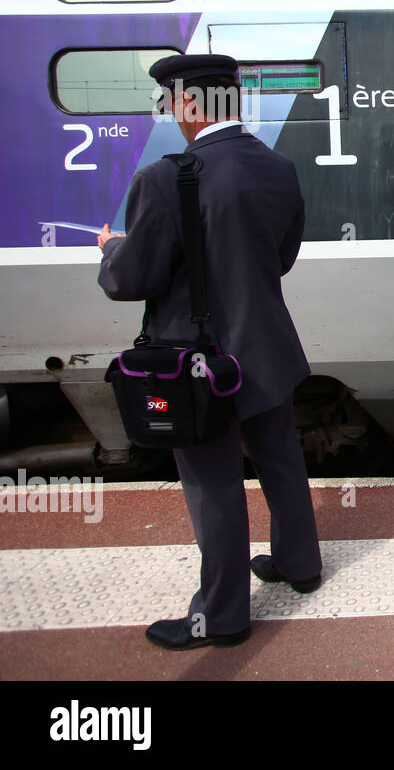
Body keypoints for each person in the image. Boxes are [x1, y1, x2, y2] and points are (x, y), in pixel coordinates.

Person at [98, 53, 322, 650]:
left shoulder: (168, 177)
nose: (171, 112)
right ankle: (300, 565)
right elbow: (280, 258)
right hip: (265, 345)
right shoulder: (278, 168)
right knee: (280, 458)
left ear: (191, 104)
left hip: (196, 362)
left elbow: (131, 281)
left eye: (171, 101)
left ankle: (220, 617)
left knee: (213, 484)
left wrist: (111, 248)